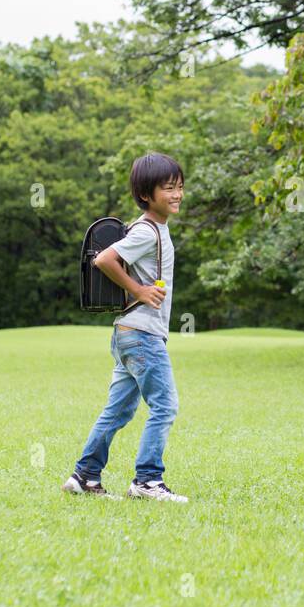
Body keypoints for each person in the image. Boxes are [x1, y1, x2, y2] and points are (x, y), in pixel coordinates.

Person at [62, 152, 188, 502]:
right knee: (165, 406)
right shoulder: (147, 231)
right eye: (168, 188)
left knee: (118, 410)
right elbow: (104, 259)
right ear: (147, 193)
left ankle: (84, 477)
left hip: (128, 334)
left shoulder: (151, 228)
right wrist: (140, 290)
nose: (177, 194)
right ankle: (147, 481)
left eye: (179, 187)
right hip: (143, 335)